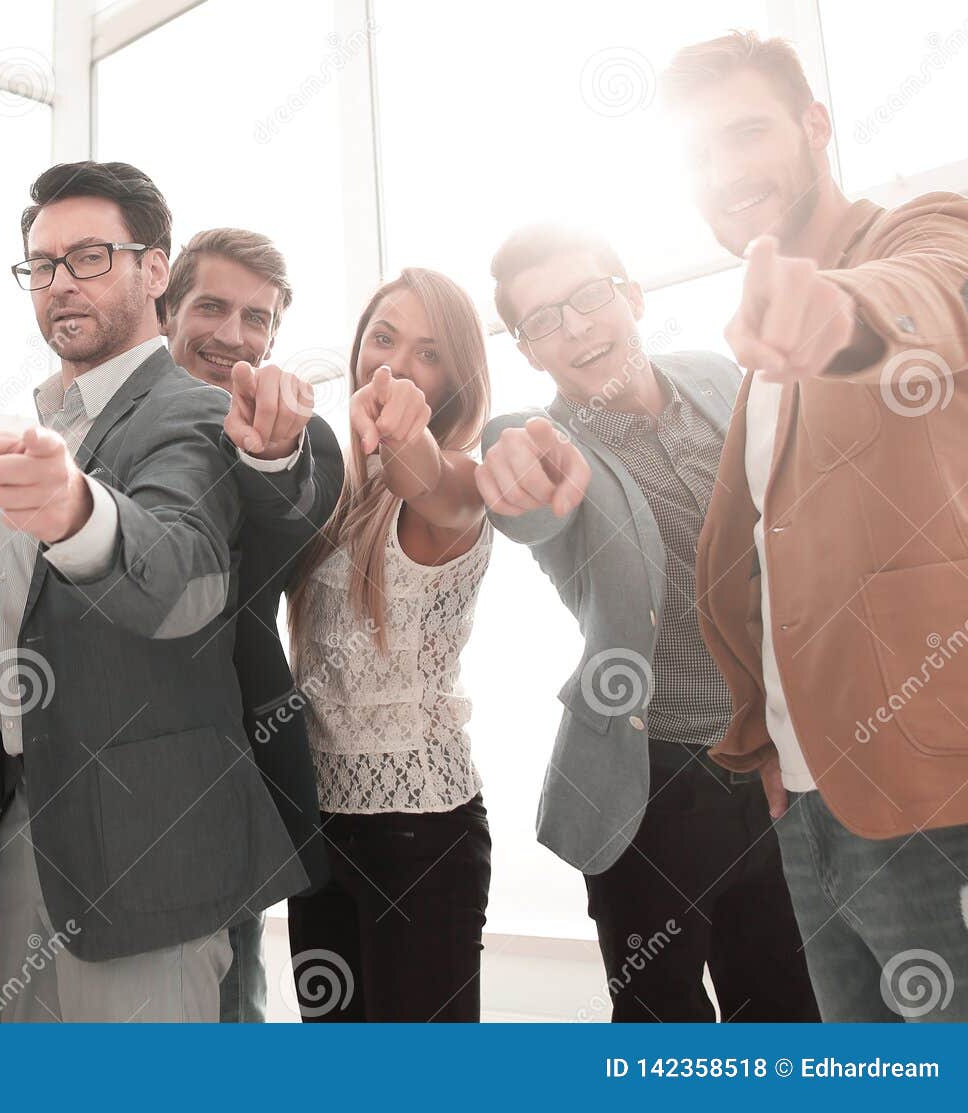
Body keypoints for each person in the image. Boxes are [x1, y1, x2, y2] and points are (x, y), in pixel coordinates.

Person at [0, 160, 309, 1021]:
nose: (62, 282)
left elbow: (179, 577)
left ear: (154, 269)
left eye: (91, 256)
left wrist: (76, 510)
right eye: (43, 264)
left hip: (149, 844)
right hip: (28, 821)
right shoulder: (45, 421)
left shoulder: (190, 410)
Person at [661, 30, 968, 1022]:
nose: (725, 172)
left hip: (935, 810)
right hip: (806, 810)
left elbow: (935, 290)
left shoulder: (914, 235)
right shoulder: (758, 364)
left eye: (746, 133)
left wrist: (840, 315)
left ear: (814, 126)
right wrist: (766, 756)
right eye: (698, 154)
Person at [481, 222, 818, 1022]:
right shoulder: (548, 443)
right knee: (662, 1025)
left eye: (589, 297)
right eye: (542, 321)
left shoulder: (714, 377)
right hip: (652, 785)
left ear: (632, 295)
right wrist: (508, 474)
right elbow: (520, 487)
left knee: (788, 1005)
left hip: (773, 763)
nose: (575, 328)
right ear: (527, 350)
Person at [285, 268, 495, 1022]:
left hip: (423, 835)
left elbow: (427, 479)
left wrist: (407, 435)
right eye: (384, 337)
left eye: (429, 352)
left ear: (457, 379)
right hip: (319, 825)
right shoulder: (334, 488)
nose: (400, 364)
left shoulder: (462, 482)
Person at [161, 227, 343, 1022]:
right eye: (211, 306)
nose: (233, 335)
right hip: (69, 773)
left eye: (257, 318)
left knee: (228, 1000)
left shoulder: (298, 438)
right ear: (166, 308)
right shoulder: (97, 426)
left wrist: (271, 455)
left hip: (227, 775)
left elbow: (284, 521)